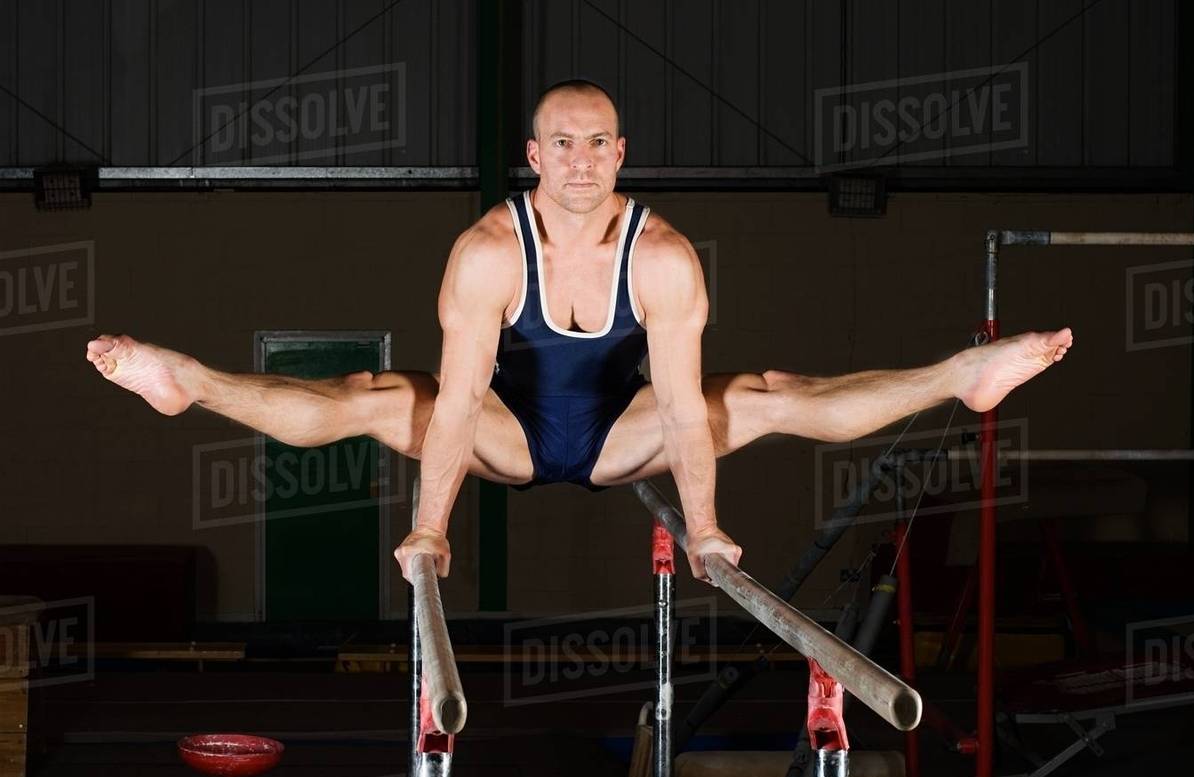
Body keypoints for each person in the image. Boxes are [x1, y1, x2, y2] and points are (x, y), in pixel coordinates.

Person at [85, 79, 1072, 586]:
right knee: (376, 398)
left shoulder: (665, 256)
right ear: (533, 155)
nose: (582, 161)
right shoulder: (485, 252)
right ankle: (193, 382)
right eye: (562, 143)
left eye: (599, 143)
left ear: (621, 153)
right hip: (503, 436)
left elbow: (684, 408)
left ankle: (959, 374)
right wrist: (430, 526)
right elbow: (464, 400)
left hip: (620, 435)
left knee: (767, 394)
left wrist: (704, 526)